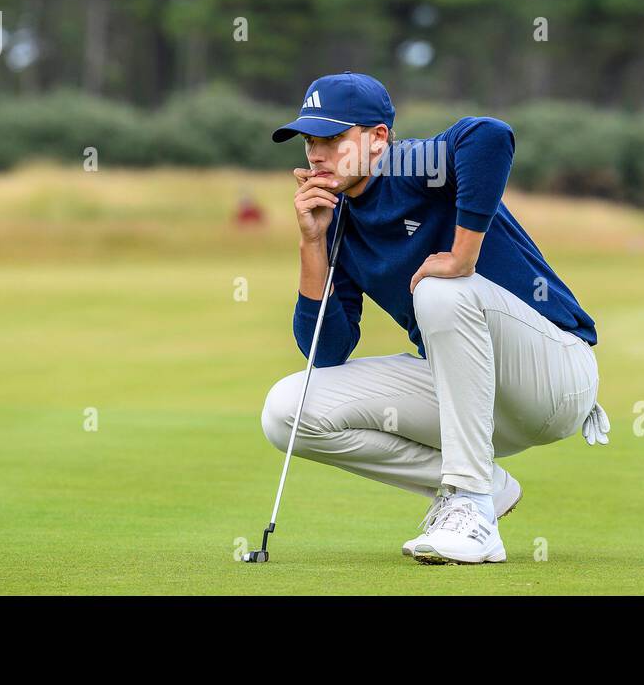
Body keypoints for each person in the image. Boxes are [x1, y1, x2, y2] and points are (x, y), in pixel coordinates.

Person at [260, 71, 610, 564]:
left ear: (378, 138)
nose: (317, 153)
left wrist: (463, 255)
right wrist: (312, 242)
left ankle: (469, 508)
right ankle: (484, 487)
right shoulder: (335, 221)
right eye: (310, 140)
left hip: (552, 376)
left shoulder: (410, 164)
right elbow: (326, 352)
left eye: (334, 138)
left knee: (440, 290)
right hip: (474, 402)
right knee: (286, 411)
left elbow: (490, 135)